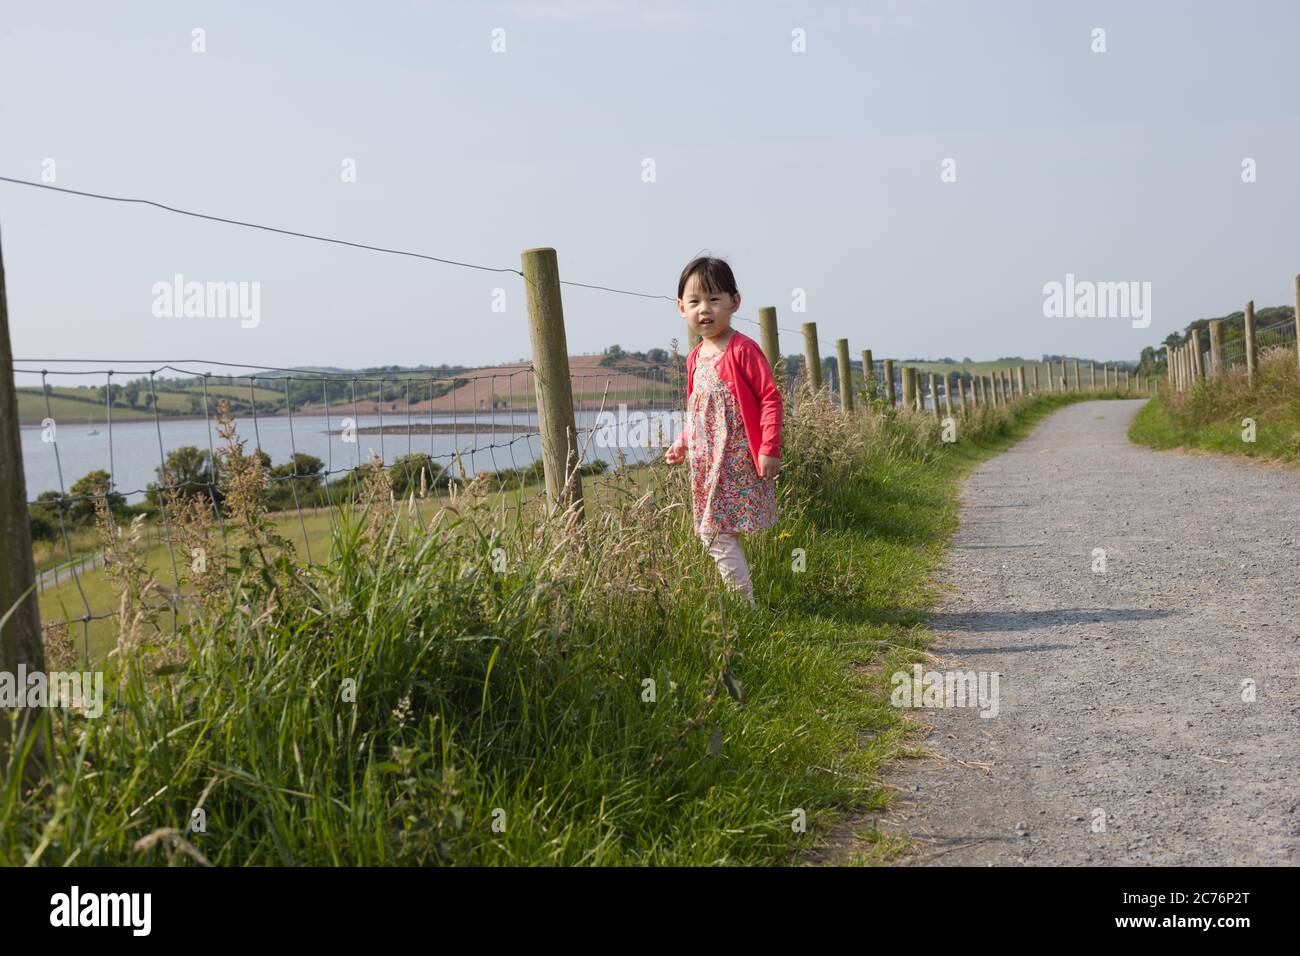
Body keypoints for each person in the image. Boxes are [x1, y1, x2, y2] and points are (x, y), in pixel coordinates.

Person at [665, 256, 781, 608]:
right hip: (705, 459)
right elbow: (697, 408)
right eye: (696, 301)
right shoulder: (695, 356)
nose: (705, 309)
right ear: (681, 307)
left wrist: (770, 447)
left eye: (715, 299)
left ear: (735, 302)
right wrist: (684, 442)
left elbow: (770, 398)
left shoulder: (742, 350)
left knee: (711, 531)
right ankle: (743, 602)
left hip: (734, 457)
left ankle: (743, 605)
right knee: (715, 530)